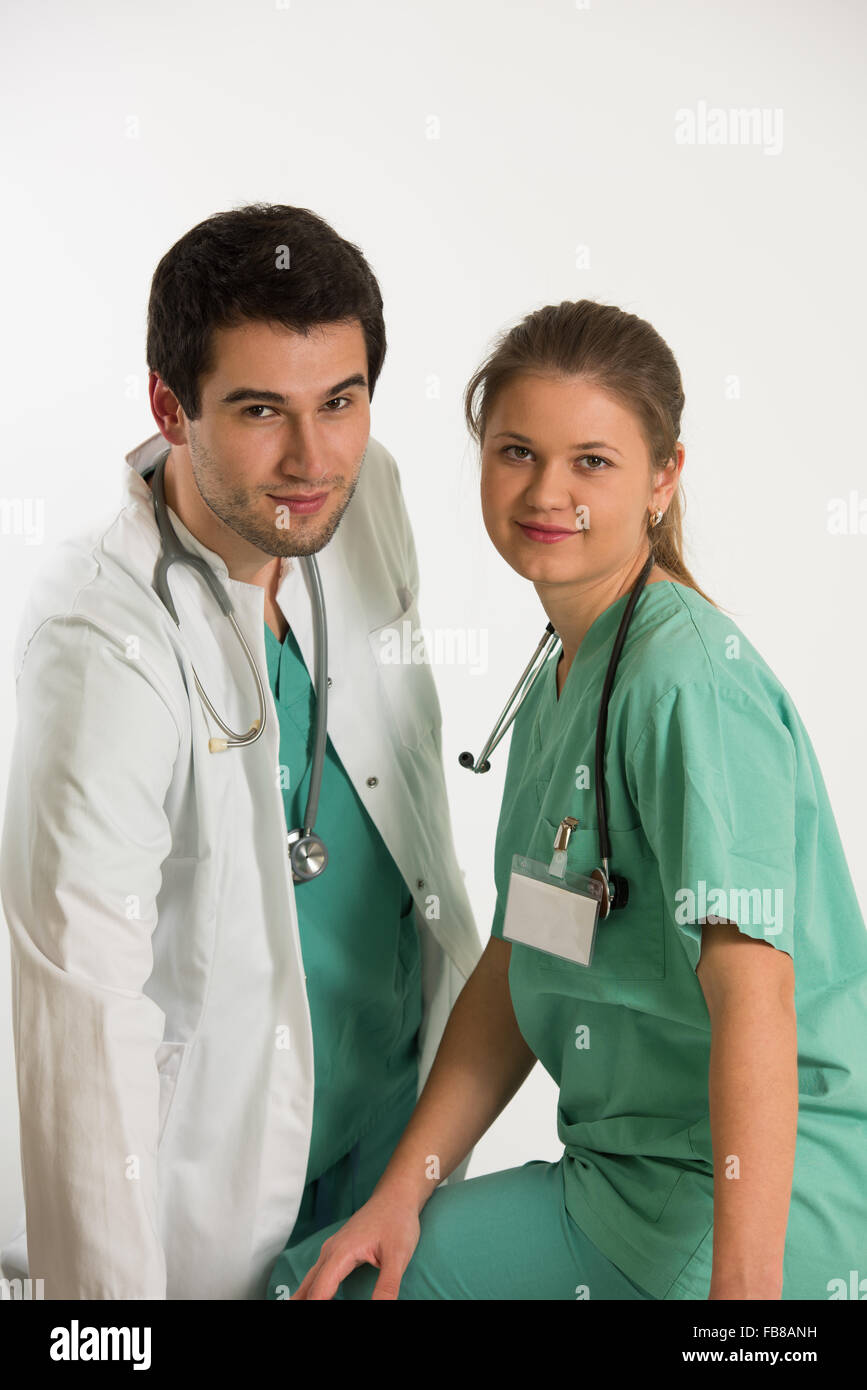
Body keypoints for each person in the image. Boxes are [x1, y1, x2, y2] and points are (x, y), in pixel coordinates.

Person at [269, 299, 867, 1301]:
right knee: (331, 1271)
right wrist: (399, 1193)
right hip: (619, 1177)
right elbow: (524, 960)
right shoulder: (571, 669)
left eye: (593, 460)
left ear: (664, 478)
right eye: (516, 453)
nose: (547, 491)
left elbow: (753, 994)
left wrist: (748, 1311)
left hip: (737, 1209)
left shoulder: (687, 683)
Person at [0, 203, 481, 1299]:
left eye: (342, 401)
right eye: (262, 409)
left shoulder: (363, 500)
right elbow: (82, 1015)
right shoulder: (100, 637)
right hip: (200, 1209)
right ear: (171, 406)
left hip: (386, 1151)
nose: (313, 459)